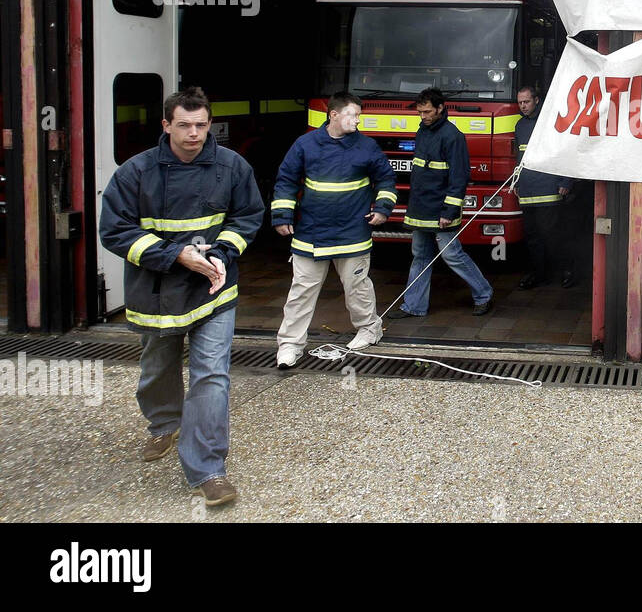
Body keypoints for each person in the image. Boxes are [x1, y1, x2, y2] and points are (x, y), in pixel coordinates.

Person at [98, 87, 263, 509]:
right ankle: (163, 424)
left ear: (210, 125)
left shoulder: (232, 166)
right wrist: (176, 256)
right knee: (158, 369)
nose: (194, 133)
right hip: (156, 293)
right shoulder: (135, 173)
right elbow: (115, 231)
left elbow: (247, 216)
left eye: (201, 125)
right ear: (166, 125)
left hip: (213, 289)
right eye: (185, 125)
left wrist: (223, 253)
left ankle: (209, 470)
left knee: (211, 375)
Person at [271, 92, 397, 367]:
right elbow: (286, 180)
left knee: (357, 288)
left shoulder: (366, 147)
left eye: (359, 116)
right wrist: (282, 214)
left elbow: (386, 179)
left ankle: (368, 329)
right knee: (301, 291)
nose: (357, 120)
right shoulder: (305, 144)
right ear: (334, 115)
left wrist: (383, 209)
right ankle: (290, 346)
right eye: (352, 115)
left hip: (352, 231)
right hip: (311, 232)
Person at [390, 87, 494, 318]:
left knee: (452, 255)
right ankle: (414, 306)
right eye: (420, 112)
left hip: (441, 210)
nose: (423, 116)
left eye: (427, 112)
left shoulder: (452, 136)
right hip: (421, 208)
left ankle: (484, 294)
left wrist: (449, 211)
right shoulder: (423, 131)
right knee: (420, 255)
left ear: (440, 108)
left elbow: (459, 177)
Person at [513, 85, 576, 289]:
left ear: (537, 100)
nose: (523, 106)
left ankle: (567, 270)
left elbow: (564, 152)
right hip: (527, 190)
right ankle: (538, 274)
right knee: (532, 238)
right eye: (520, 102)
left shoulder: (551, 123)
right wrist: (516, 181)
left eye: (527, 101)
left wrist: (566, 181)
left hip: (549, 189)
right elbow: (520, 158)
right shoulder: (520, 126)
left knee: (553, 235)